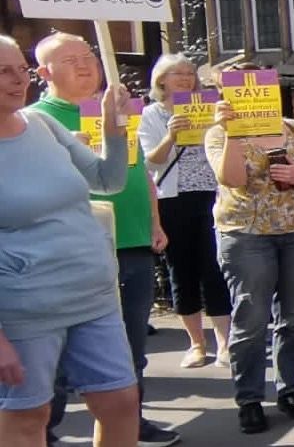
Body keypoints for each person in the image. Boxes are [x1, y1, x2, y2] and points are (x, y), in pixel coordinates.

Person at [29, 33, 179, 447]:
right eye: (70, 60)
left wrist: (154, 221)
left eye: (88, 56)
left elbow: (134, 173)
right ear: (44, 73)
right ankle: (43, 432)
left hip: (130, 240)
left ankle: (133, 421)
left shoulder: (115, 108)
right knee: (57, 356)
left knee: (129, 347)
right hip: (74, 253)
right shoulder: (36, 120)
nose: (85, 65)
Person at [0, 35, 139, 447]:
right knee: (29, 415)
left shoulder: (41, 124)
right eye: (1, 72)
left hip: (93, 294)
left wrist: (116, 132)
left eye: (18, 70)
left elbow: (107, 180)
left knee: (121, 402)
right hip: (25, 307)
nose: (15, 80)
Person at [205, 64, 294, 434]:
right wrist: (232, 134)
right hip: (246, 235)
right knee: (251, 318)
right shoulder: (217, 134)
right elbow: (233, 181)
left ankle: (290, 389)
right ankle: (250, 398)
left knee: (293, 318)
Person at [138, 54, 232, 369]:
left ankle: (225, 343)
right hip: (171, 199)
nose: (186, 78)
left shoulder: (208, 105)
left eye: (190, 73)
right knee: (181, 271)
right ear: (161, 79)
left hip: (211, 194)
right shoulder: (151, 114)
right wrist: (171, 135)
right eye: (178, 73)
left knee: (214, 268)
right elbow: (150, 161)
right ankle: (196, 343)